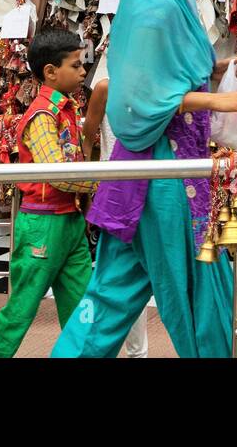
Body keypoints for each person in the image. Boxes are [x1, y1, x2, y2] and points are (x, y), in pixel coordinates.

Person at [52, 0, 237, 358]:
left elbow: (174, 76)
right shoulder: (159, 11)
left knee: (111, 297)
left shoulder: (171, 1)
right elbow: (140, 93)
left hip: (147, 173)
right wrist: (216, 100)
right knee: (197, 288)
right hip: (164, 178)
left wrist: (221, 69)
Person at [0, 28, 97, 357]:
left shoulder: (65, 109)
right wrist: (104, 181)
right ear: (50, 71)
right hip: (43, 227)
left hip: (69, 223)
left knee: (82, 313)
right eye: (75, 65)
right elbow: (58, 174)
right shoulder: (43, 115)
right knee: (20, 312)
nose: (82, 71)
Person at [84, 54, 149, 357]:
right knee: (116, 277)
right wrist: (87, 186)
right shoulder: (105, 88)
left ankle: (137, 353)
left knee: (135, 276)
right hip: (113, 192)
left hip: (150, 189)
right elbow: (89, 135)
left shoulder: (156, 88)